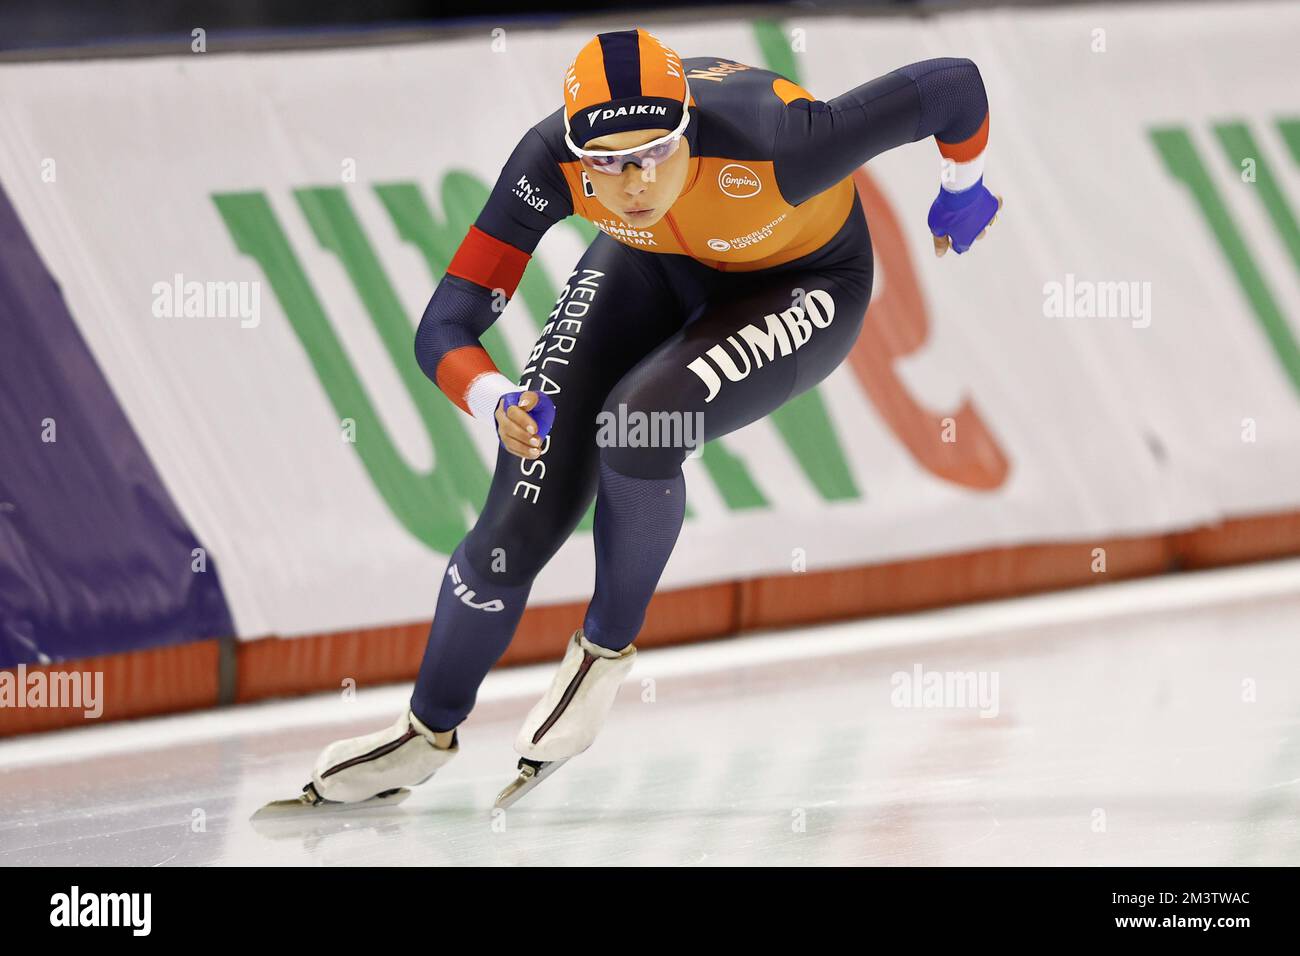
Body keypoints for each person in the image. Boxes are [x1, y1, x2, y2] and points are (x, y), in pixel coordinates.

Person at [304, 28, 1001, 808]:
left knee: (638, 426)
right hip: (649, 266)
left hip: (805, 281)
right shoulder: (548, 161)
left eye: (653, 151)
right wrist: (495, 397)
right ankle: (423, 730)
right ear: (574, 150)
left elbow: (952, 85)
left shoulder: (777, 142)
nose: (633, 182)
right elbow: (444, 326)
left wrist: (962, 185)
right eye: (604, 162)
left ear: (689, 129)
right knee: (514, 521)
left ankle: (602, 655)